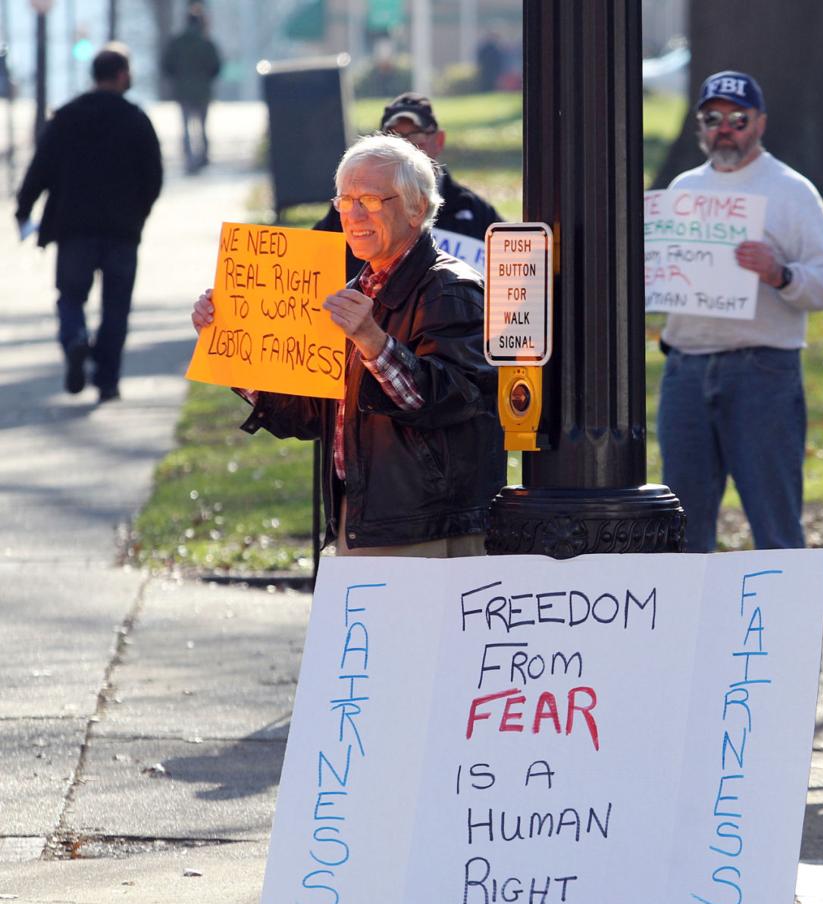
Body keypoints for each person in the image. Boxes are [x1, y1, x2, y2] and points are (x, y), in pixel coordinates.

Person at [191, 134, 505, 557]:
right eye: (345, 200)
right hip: (361, 523)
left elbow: (449, 399)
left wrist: (373, 341)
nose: (353, 215)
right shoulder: (357, 290)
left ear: (416, 208)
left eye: (371, 200)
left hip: (426, 530)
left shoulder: (450, 289)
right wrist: (232, 346)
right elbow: (308, 416)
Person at [657, 70, 823, 552]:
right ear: (699, 125)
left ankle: (784, 628)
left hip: (761, 370)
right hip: (685, 368)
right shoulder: (681, 189)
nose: (725, 128)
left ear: (760, 123)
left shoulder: (790, 190)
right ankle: (691, 627)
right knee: (682, 526)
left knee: (774, 520)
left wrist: (780, 274)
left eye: (738, 118)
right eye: (713, 117)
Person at [15, 44, 163, 402]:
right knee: (116, 308)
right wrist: (138, 214)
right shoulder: (136, 119)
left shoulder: (65, 118)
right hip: (122, 232)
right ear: (122, 75)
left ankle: (75, 339)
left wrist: (24, 210)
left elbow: (40, 170)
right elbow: (153, 177)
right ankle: (108, 382)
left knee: (70, 297)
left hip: (73, 230)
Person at [314, 92, 502, 281]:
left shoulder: (471, 210)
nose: (405, 147)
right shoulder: (349, 209)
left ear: (439, 141)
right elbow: (311, 264)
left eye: (415, 137)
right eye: (393, 138)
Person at [161, 3, 222, 174]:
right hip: (202, 90)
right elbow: (216, 66)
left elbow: (167, 65)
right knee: (203, 126)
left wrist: (177, 78)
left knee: (185, 125)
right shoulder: (206, 42)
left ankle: (188, 157)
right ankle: (203, 156)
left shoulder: (177, 42)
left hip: (182, 90)